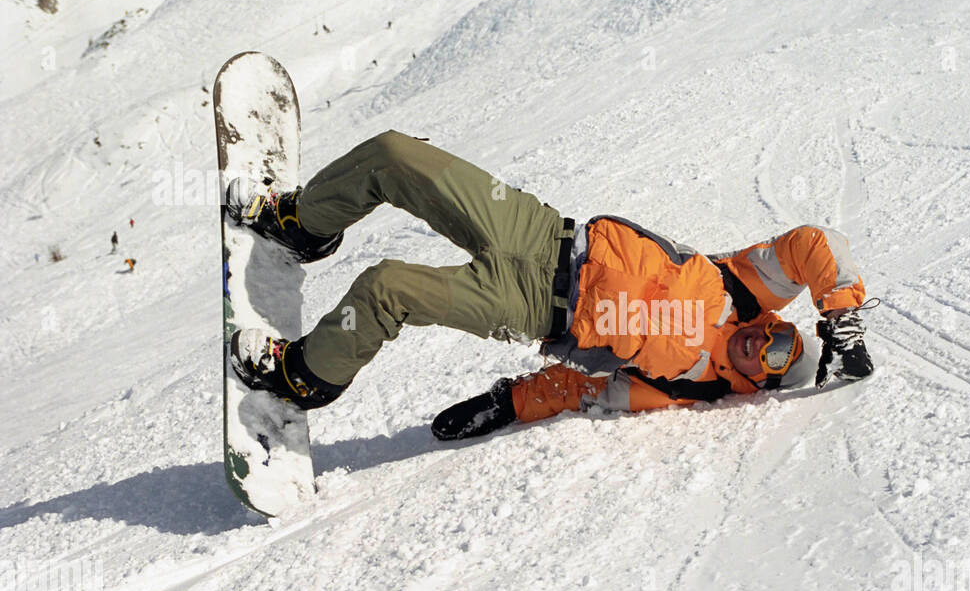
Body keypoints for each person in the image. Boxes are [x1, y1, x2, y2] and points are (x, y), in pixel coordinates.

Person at [224, 132, 875, 438]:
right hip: (544, 235)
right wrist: (840, 322)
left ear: (759, 385)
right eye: (782, 339)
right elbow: (817, 247)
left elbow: (582, 389)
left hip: (533, 309)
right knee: (395, 157)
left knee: (387, 287)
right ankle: (305, 224)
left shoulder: (688, 387)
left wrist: (508, 403)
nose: (767, 348)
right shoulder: (743, 290)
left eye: (777, 363)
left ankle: (306, 375)